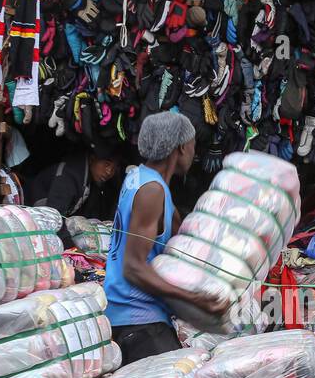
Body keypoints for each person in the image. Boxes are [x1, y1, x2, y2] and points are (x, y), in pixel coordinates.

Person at [104, 111, 226, 365]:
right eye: (193, 145)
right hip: (139, 321)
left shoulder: (140, 178)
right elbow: (133, 268)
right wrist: (194, 298)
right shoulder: (152, 190)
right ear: (181, 147)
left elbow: (172, 231)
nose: (195, 153)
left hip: (131, 318)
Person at [31, 146, 121, 227]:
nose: (109, 172)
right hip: (33, 218)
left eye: (114, 169)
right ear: (92, 159)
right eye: (106, 164)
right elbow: (52, 220)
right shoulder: (69, 176)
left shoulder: (93, 183)